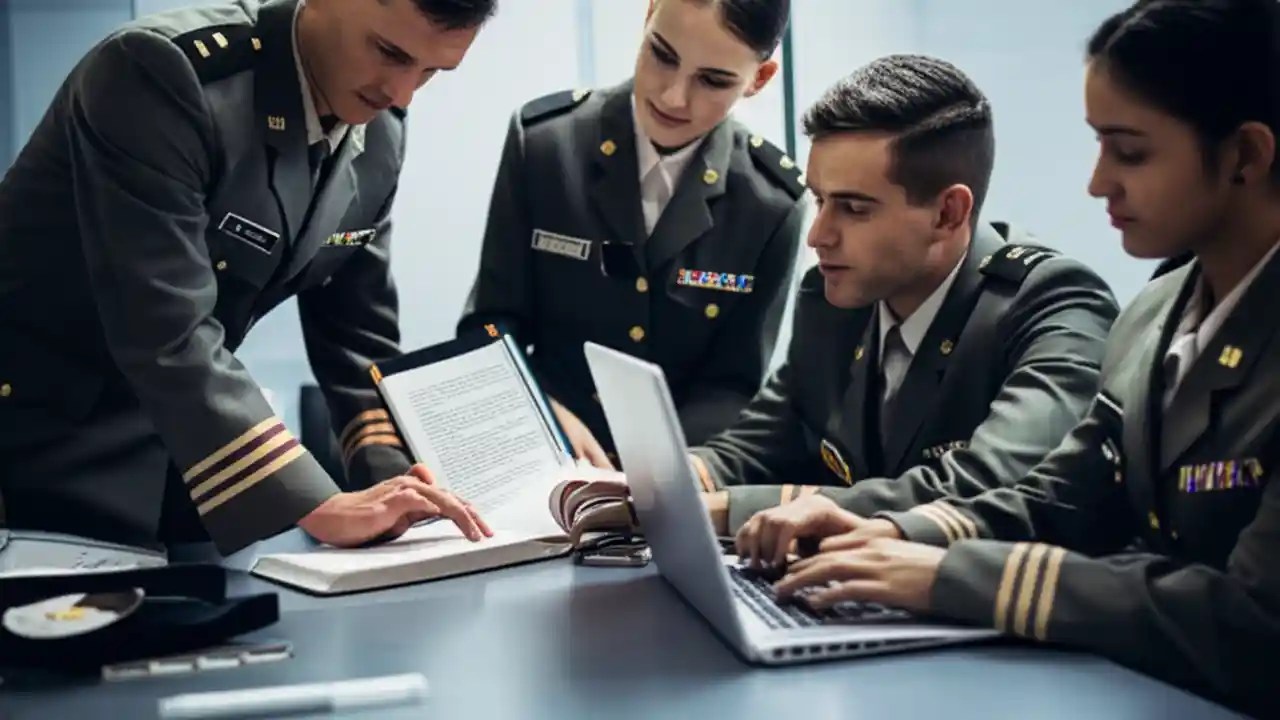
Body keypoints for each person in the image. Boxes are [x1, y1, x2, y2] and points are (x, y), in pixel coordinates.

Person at [753, 2, 1280, 715]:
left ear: (1245, 155)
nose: (1097, 183)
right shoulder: (1156, 313)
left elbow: (1255, 625)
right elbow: (1066, 493)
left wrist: (958, 579)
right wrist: (897, 532)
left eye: (1129, 152)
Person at [0, 0, 498, 557]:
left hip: (191, 450)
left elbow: (357, 338)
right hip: (45, 442)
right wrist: (319, 505)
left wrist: (400, 485)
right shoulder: (162, 73)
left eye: (431, 72)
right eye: (389, 53)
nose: (402, 93)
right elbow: (164, 325)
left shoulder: (380, 133)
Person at [688, 55, 1118, 543]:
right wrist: (662, 486)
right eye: (820, 201)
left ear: (947, 214)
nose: (818, 235)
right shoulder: (832, 302)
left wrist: (724, 510)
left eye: (853, 208)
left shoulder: (1052, 305)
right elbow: (757, 445)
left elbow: (980, 486)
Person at [458, 0, 806, 468]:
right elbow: (490, 326)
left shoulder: (772, 202)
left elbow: (732, 384)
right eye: (662, 54)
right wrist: (539, 413)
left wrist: (653, 472)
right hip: (537, 458)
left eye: (713, 80)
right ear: (647, 18)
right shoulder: (545, 143)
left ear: (759, 79)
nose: (673, 97)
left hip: (675, 473)